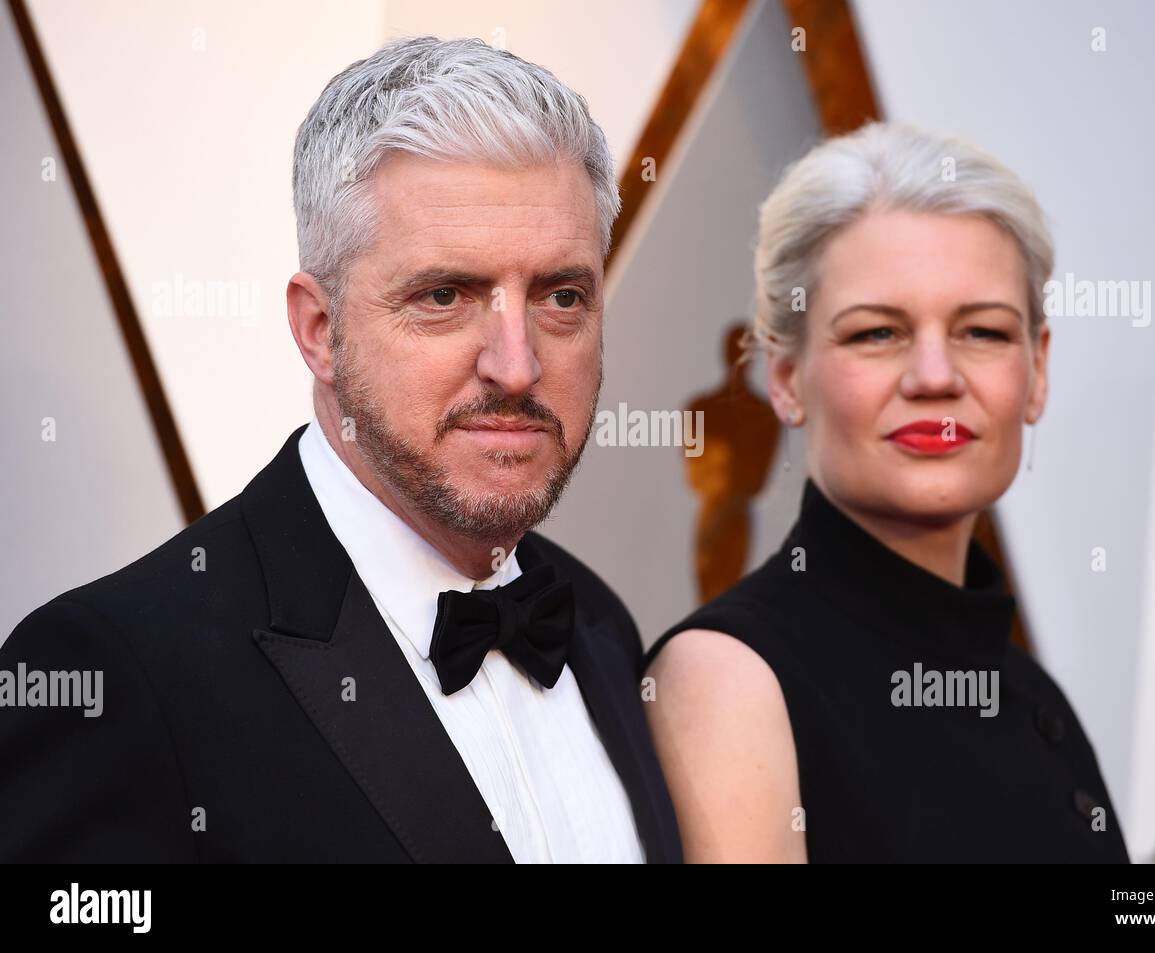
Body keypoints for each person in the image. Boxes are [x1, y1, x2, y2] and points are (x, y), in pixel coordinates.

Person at [0, 36, 680, 863]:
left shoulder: (598, 621)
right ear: (319, 330)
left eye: (562, 296)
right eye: (444, 295)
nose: (517, 364)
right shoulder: (119, 674)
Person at [643, 122, 1129, 863]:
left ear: (1038, 368)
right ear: (784, 376)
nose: (934, 375)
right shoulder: (727, 680)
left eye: (983, 332)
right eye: (877, 333)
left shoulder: (1036, 699)